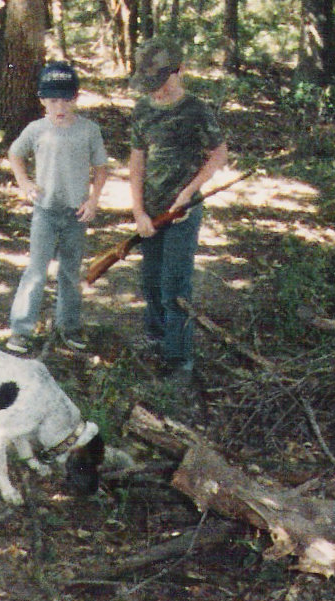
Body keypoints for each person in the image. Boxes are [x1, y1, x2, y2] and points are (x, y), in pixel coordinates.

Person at [128, 37, 228, 380]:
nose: (156, 91)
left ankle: (179, 359)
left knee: (175, 284)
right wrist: (138, 210)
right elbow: (137, 162)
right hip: (151, 212)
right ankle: (155, 338)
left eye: (161, 81)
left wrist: (188, 193)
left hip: (183, 213)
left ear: (179, 70)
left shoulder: (197, 110)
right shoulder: (142, 110)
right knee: (151, 279)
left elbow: (218, 155)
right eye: (149, 84)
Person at [6, 61, 109, 354]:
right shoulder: (36, 129)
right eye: (53, 100)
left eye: (66, 99)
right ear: (42, 101)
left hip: (77, 214)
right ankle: (21, 330)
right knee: (36, 271)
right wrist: (24, 183)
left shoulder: (88, 130)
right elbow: (15, 153)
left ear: (76, 98)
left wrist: (94, 199)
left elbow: (101, 167)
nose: (60, 107)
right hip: (46, 212)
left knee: (70, 272)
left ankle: (70, 326)